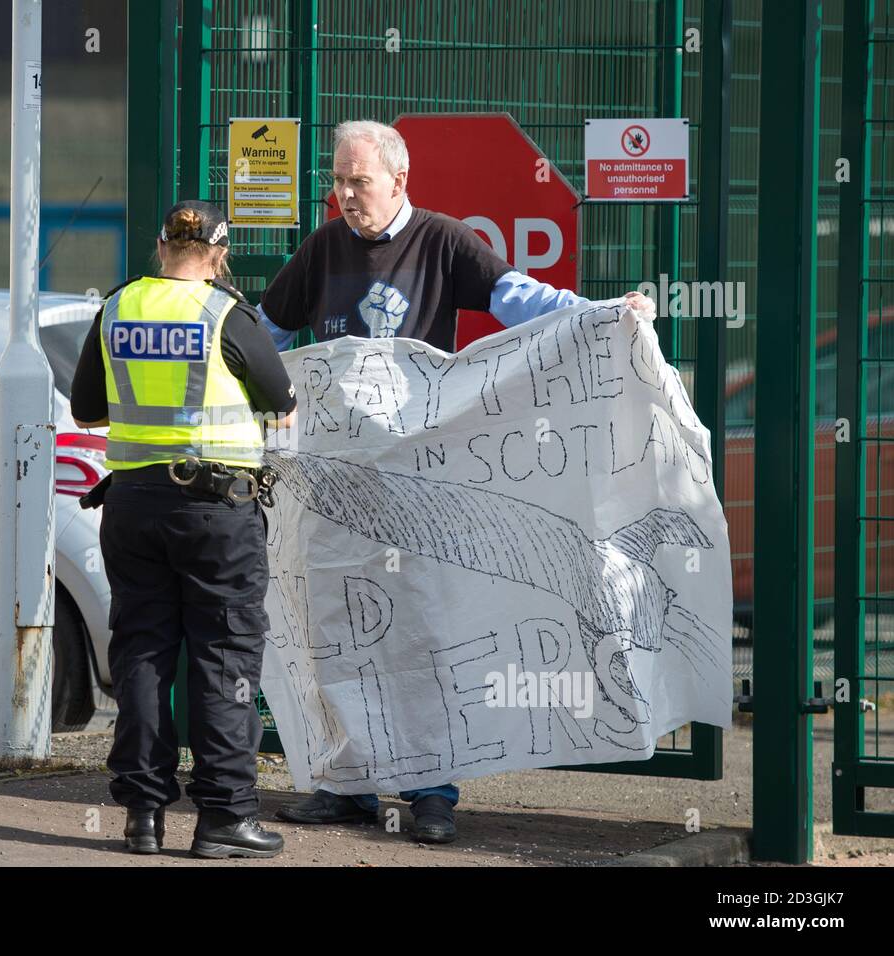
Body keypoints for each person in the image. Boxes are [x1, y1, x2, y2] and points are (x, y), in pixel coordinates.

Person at [264, 119, 656, 844]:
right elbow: (266, 335)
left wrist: (606, 313)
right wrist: (210, 342)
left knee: (421, 630)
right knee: (334, 630)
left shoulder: (443, 242)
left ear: (399, 181)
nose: (346, 195)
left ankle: (432, 792)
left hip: (415, 481)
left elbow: (520, 302)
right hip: (337, 480)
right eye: (339, 181)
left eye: (360, 181)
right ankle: (346, 783)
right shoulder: (320, 251)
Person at [70, 200, 297, 858]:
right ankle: (225, 817)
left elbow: (88, 406)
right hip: (215, 512)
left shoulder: (116, 307)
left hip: (134, 505)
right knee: (222, 656)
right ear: (219, 252)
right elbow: (280, 399)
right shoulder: (224, 312)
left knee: (141, 652)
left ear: (160, 246)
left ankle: (143, 813)